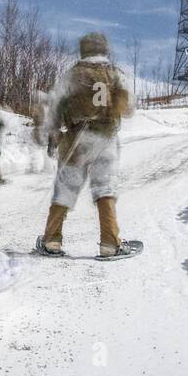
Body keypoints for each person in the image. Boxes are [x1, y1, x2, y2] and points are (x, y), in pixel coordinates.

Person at [35, 32, 139, 258]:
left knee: (66, 189)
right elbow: (128, 108)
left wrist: (53, 136)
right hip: (106, 139)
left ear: (84, 50)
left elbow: (54, 108)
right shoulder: (115, 74)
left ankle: (51, 241)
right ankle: (110, 243)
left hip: (76, 140)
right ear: (104, 50)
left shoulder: (71, 75)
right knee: (105, 189)